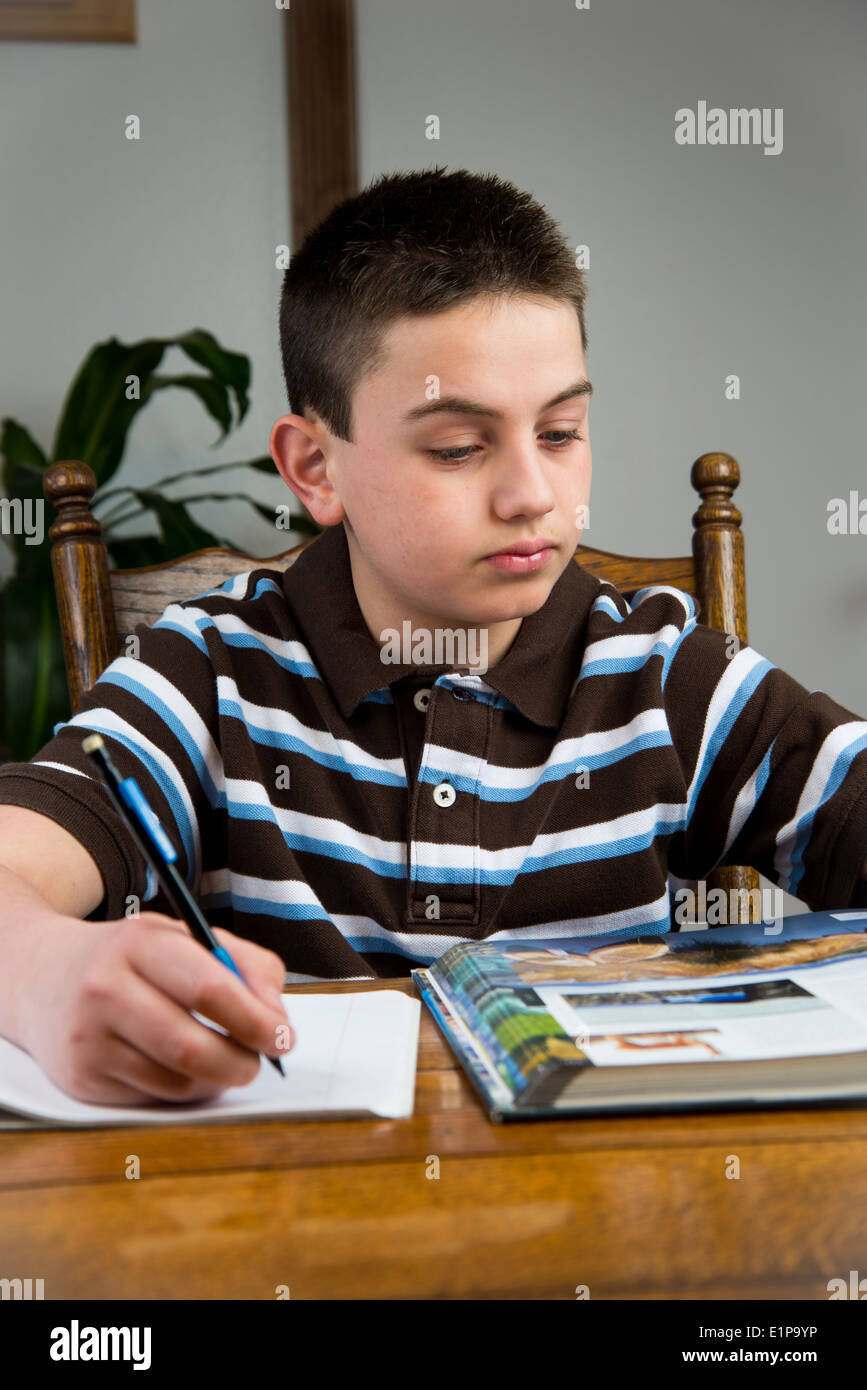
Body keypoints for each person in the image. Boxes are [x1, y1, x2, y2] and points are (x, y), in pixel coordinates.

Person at [1, 166, 865, 1107]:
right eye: (458, 447)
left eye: (562, 431)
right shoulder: (209, 673)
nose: (531, 494)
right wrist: (42, 970)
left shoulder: (660, 672)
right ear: (314, 467)